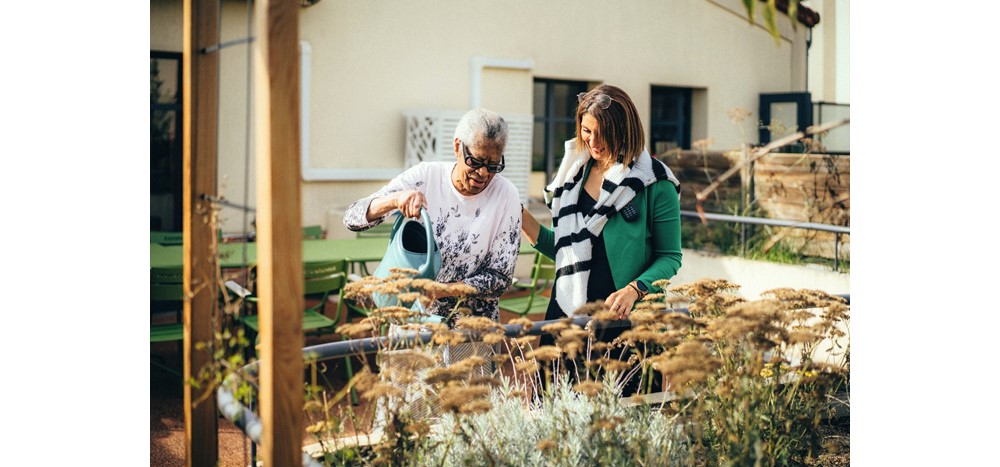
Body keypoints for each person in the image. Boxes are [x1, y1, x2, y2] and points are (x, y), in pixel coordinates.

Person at [521, 84, 682, 392]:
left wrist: (635, 290)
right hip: (566, 314)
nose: (593, 142)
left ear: (624, 129)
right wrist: (521, 219)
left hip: (624, 320)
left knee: (624, 421)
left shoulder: (655, 181)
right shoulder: (573, 177)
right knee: (555, 416)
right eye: (586, 131)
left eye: (602, 133)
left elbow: (670, 256)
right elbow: (566, 250)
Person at [344, 107, 522, 325]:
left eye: (493, 164)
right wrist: (395, 199)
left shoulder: (506, 194)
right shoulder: (425, 176)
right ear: (458, 147)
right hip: (414, 322)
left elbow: (500, 279)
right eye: (475, 161)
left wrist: (441, 291)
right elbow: (352, 218)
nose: (483, 173)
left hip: (472, 330)